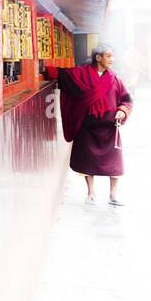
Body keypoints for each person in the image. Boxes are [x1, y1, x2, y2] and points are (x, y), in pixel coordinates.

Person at [57, 43, 132, 206]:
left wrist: (122, 111)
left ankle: (113, 194)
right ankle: (91, 193)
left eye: (112, 56)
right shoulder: (81, 75)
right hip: (87, 127)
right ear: (98, 58)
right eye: (108, 56)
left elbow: (126, 100)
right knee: (87, 161)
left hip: (110, 127)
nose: (112, 59)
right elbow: (61, 75)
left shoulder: (115, 79)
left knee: (115, 163)